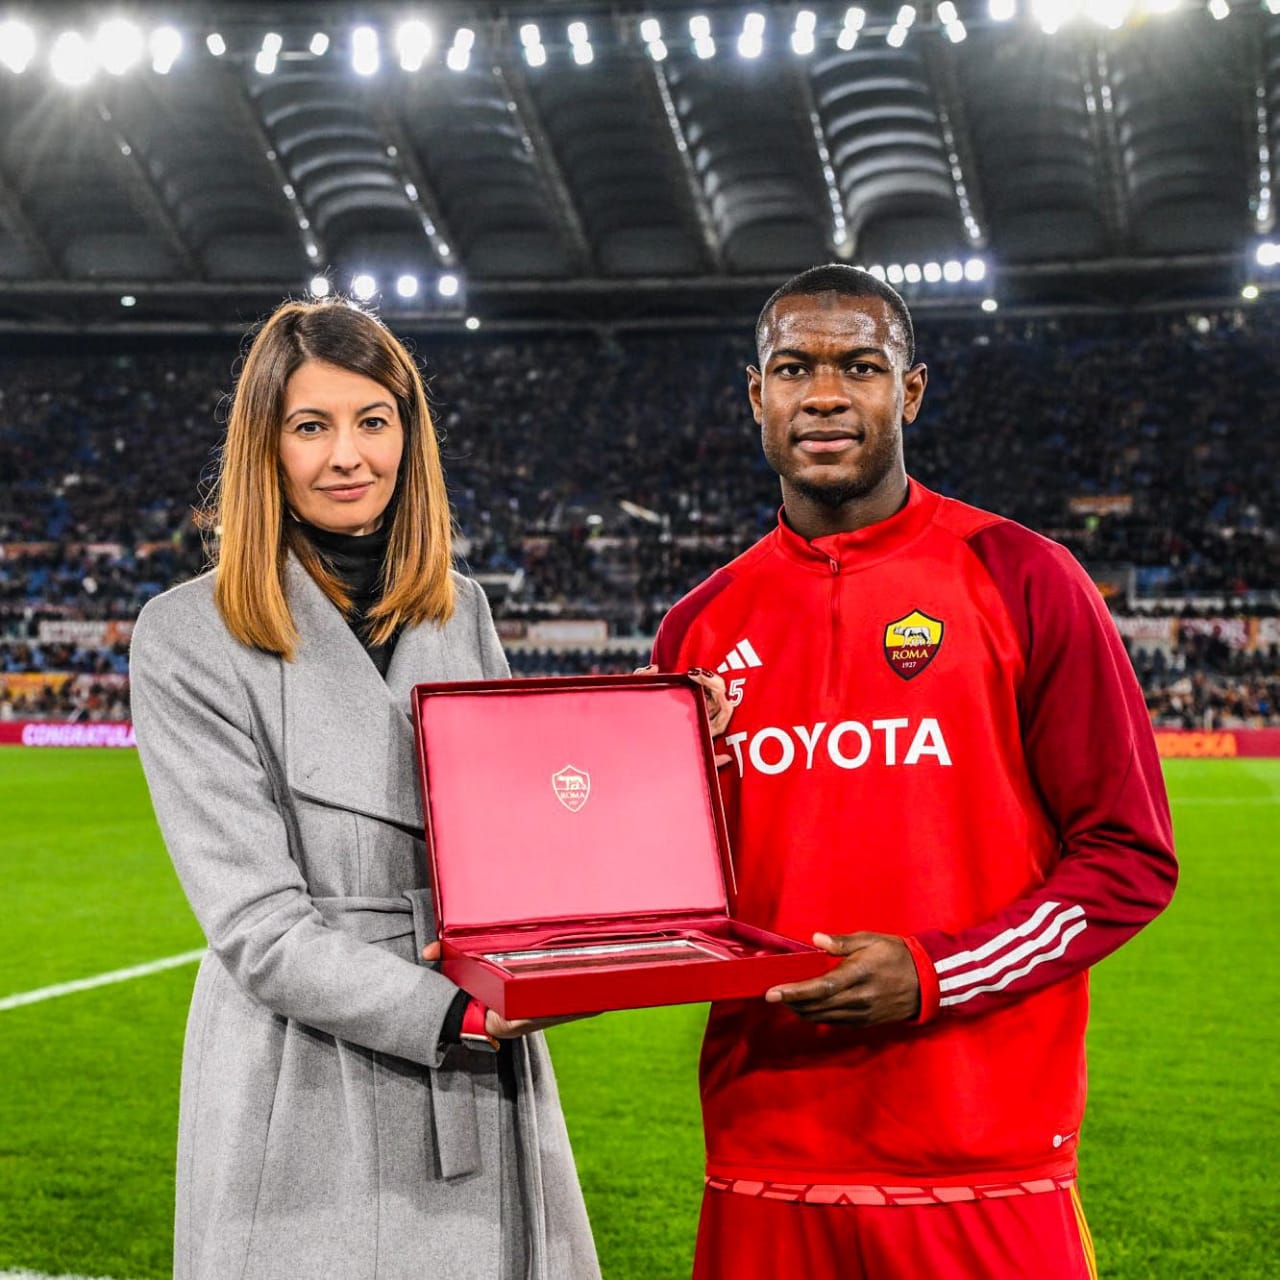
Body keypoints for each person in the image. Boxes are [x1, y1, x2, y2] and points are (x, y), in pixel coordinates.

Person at [652, 264, 1178, 1280]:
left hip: (983, 1156)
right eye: (791, 367)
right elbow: (665, 891)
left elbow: (1125, 858)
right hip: (766, 1147)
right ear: (754, 393)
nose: (823, 395)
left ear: (910, 389)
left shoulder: (1021, 575)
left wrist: (934, 974)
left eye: (859, 365)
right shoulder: (697, 625)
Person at [129, 299, 600, 1280]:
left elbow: (523, 835)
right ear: (267, 445)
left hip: (477, 1055)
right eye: (311, 425)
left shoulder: (462, 606)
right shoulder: (186, 634)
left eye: (372, 420)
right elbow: (259, 928)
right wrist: (454, 1013)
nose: (348, 454)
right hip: (308, 1072)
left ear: (407, 434)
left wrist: (667, 766)